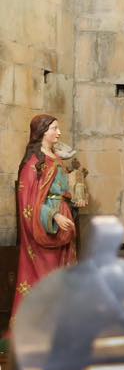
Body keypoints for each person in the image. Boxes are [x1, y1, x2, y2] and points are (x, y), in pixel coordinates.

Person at [13, 115, 78, 315]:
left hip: (63, 224)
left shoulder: (55, 158)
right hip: (45, 227)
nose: (58, 133)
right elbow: (28, 201)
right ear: (42, 131)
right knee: (46, 276)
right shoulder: (33, 163)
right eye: (54, 129)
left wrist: (72, 197)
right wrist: (54, 216)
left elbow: (60, 189)